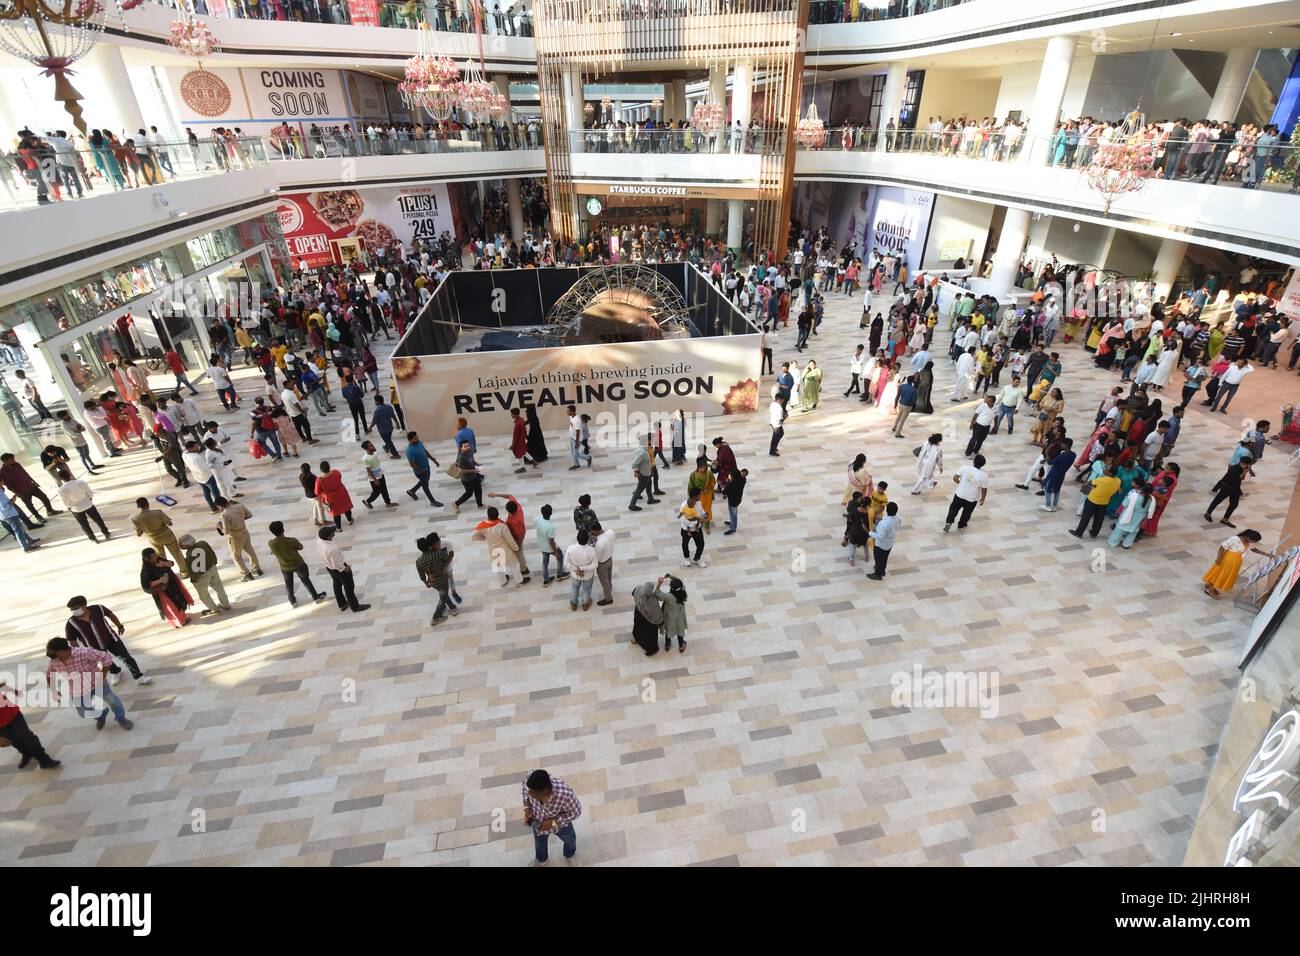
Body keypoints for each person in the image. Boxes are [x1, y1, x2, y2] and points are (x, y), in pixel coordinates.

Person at [44, 638, 133, 732]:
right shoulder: (54, 661)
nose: (52, 656)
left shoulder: (84, 652)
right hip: (77, 690)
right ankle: (100, 715)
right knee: (83, 712)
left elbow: (106, 657)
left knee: (112, 701)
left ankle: (121, 719)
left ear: (62, 650)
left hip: (96, 683)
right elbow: (49, 674)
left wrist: (102, 675)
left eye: (54, 653)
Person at [64, 596, 152, 686]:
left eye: (76, 608)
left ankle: (138, 677)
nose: (74, 611)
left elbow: (110, 614)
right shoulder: (71, 623)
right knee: (105, 661)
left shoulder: (98, 608)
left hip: (111, 639)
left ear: (85, 605)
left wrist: (119, 626)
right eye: (72, 609)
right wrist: (79, 653)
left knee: (126, 657)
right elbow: (72, 641)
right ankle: (115, 671)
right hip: (93, 647)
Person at [522, 769, 582, 866]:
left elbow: (576, 811)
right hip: (538, 824)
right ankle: (542, 860)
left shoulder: (565, 794)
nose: (530, 794)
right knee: (539, 844)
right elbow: (525, 789)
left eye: (533, 794)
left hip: (560, 826)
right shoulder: (530, 778)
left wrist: (553, 822)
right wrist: (527, 807)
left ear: (545, 792)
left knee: (570, 840)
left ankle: (570, 854)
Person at [0, 680, 60, 769]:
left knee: (28, 737)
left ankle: (44, 760)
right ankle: (26, 754)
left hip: (13, 714)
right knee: (15, 742)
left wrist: (12, 690)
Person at [267, 520, 328, 607]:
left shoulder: (271, 543)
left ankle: (292, 601)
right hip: (298, 564)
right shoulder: (292, 540)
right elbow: (301, 547)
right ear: (283, 529)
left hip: (284, 567)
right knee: (305, 580)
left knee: (288, 584)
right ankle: (315, 597)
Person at [317, 525, 371, 613]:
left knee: (337, 584)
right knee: (349, 587)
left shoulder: (319, 541)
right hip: (339, 569)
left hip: (329, 567)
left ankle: (342, 604)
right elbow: (337, 564)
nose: (334, 532)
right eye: (332, 532)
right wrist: (345, 568)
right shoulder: (332, 549)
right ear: (329, 536)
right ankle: (355, 606)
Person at [131, 497, 188, 575]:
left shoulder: (135, 519)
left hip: (153, 539)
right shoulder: (158, 513)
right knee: (176, 553)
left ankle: (167, 573)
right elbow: (170, 523)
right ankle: (185, 572)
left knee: (160, 558)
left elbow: (139, 534)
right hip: (166, 536)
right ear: (148, 504)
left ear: (138, 507)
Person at [1203, 530, 1266, 600]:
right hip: (1229, 560)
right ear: (1248, 537)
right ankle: (1210, 590)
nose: (1253, 542)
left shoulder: (1248, 542)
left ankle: (1210, 585)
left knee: (1221, 572)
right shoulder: (1235, 539)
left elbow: (1254, 549)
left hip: (1236, 561)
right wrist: (1218, 559)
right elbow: (1222, 547)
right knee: (1224, 574)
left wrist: (1266, 554)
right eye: (1253, 541)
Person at [140, 547, 194, 628]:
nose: (155, 558)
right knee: (171, 606)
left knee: (179, 601)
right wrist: (160, 581)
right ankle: (179, 621)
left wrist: (163, 564)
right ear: (146, 559)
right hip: (163, 591)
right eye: (152, 557)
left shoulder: (159, 559)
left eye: (155, 555)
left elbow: (171, 563)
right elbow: (146, 585)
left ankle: (183, 617)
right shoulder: (145, 570)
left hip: (173, 585)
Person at [0, 453, 61, 522]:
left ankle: (50, 511)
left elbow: (25, 473)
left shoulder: (16, 464)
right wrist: (17, 494)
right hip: (22, 491)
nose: (14, 461)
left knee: (44, 497)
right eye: (11, 460)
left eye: (13, 459)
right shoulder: (2, 472)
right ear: (5, 461)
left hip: (31, 486)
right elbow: (9, 486)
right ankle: (38, 517)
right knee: (30, 505)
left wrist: (34, 482)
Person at [472, 505, 524, 587]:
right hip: (505, 550)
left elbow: (474, 536)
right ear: (497, 515)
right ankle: (519, 581)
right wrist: (516, 548)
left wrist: (484, 538)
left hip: (493, 550)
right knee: (514, 565)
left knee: (497, 567)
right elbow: (509, 539)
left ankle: (503, 581)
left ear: (488, 516)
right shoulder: (502, 526)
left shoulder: (483, 526)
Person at [215, 496, 263, 581]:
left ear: (220, 506)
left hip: (235, 537)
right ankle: (257, 569)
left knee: (236, 556)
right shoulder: (240, 506)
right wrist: (239, 519)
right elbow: (249, 515)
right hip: (244, 531)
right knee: (250, 550)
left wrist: (220, 526)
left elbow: (226, 531)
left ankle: (246, 574)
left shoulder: (225, 515)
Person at [55, 471, 110, 542]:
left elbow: (66, 502)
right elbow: (90, 493)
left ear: (60, 478)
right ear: (70, 474)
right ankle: (106, 532)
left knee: (84, 524)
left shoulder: (61, 490)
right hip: (88, 504)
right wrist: (88, 500)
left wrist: (70, 507)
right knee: (98, 519)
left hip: (76, 509)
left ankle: (92, 538)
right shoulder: (80, 482)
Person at [1070, 463, 1121, 539]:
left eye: (1106, 468)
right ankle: (1094, 533)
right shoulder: (1118, 481)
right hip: (1104, 502)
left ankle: (1079, 532)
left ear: (1110, 472)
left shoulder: (1100, 480)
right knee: (1099, 519)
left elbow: (1090, 483)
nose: (1104, 469)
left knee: (1086, 517)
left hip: (1092, 500)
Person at [416, 534, 458, 625]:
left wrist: (426, 582)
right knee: (443, 598)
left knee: (443, 594)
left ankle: (452, 607)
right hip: (443, 579)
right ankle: (435, 618)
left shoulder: (418, 561)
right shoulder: (438, 553)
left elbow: (421, 576)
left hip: (433, 583)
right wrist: (444, 566)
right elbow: (447, 558)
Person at [943, 454, 988, 533]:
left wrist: (960, 483)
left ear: (973, 461)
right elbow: (984, 489)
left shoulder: (964, 468)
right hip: (972, 498)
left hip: (959, 494)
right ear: (982, 465)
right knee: (967, 512)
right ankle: (961, 525)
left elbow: (955, 478)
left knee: (954, 509)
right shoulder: (984, 475)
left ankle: (949, 522)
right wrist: (983, 498)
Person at [1205, 459, 1250, 528]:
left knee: (1234, 504)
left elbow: (1239, 481)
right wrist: (1244, 472)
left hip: (1235, 489)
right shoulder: (1234, 468)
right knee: (1217, 501)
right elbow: (1235, 479)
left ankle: (1225, 519)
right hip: (1226, 488)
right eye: (1246, 465)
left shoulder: (1243, 468)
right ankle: (1208, 513)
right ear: (1242, 463)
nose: (1247, 466)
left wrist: (1240, 493)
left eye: (1248, 465)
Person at [404, 431, 444, 507]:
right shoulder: (410, 451)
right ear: (410, 440)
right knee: (425, 486)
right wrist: (421, 470)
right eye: (415, 439)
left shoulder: (419, 443)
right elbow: (412, 464)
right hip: (420, 471)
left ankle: (412, 491)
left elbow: (424, 451)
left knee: (425, 481)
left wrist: (433, 459)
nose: (417, 439)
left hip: (426, 468)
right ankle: (432, 501)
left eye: (417, 437)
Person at [1038, 438, 1076, 512]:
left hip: (1054, 474)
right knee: (1057, 491)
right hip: (1061, 475)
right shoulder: (1073, 455)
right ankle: (1054, 506)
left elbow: (1050, 462)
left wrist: (1047, 453)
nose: (1061, 445)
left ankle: (1048, 506)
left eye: (1062, 444)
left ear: (1065, 445)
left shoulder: (1062, 456)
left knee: (1047, 489)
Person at [314, 461, 355, 530]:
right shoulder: (336, 472)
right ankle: (350, 520)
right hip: (342, 493)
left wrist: (323, 493)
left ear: (321, 470)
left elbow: (317, 492)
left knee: (336, 512)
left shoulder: (319, 480)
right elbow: (339, 477)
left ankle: (339, 528)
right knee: (346, 507)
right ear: (329, 467)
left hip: (331, 497)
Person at [536, 504, 568, 587]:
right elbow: (551, 541)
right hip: (549, 547)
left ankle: (546, 580)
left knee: (545, 562)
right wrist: (555, 552)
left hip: (541, 545)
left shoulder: (538, 519)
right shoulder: (550, 526)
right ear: (551, 513)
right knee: (560, 556)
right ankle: (560, 575)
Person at [564, 529, 597, 611]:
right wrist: (583, 568)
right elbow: (595, 564)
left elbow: (567, 563)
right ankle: (585, 604)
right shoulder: (591, 550)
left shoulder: (571, 549)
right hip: (588, 575)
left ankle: (574, 604)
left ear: (577, 539)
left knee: (575, 588)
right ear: (587, 540)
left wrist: (577, 569)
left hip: (576, 575)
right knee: (587, 589)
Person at [867, 501, 900, 580]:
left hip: (881, 545)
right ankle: (882, 570)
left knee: (878, 559)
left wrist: (869, 533)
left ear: (887, 510)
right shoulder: (897, 518)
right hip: (890, 543)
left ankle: (878, 574)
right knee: (884, 558)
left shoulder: (884, 524)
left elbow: (879, 537)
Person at [628, 433, 658, 511]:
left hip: (647, 472)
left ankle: (650, 499)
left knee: (649, 485)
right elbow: (634, 463)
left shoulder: (644, 449)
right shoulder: (642, 452)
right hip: (644, 474)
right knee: (639, 489)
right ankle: (632, 505)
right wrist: (636, 471)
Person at [678, 493, 708, 568]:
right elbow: (683, 520)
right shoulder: (684, 505)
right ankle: (687, 558)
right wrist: (696, 522)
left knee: (701, 544)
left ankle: (697, 558)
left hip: (697, 529)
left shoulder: (698, 503)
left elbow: (702, 511)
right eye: (699, 495)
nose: (700, 496)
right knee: (685, 544)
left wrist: (704, 515)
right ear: (694, 496)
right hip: (686, 529)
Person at [451, 439, 482, 512]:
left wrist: (477, 464)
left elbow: (472, 460)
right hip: (467, 479)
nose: (467, 447)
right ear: (461, 448)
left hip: (474, 475)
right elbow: (462, 470)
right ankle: (456, 503)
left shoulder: (470, 452)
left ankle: (480, 505)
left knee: (478, 490)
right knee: (469, 493)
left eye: (468, 445)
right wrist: (473, 470)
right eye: (465, 446)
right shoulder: (461, 458)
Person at [591, 522, 615, 606]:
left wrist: (594, 543)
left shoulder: (599, 543)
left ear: (595, 531)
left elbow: (597, 557)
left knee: (604, 582)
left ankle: (608, 599)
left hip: (602, 564)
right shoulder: (610, 532)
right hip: (610, 559)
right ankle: (609, 589)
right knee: (609, 578)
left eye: (592, 532)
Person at [509, 407, 538, 473]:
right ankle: (534, 461)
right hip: (523, 440)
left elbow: (515, 436)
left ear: (515, 414)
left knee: (519, 454)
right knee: (523, 451)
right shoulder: (521, 419)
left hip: (519, 442)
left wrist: (513, 445)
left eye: (512, 414)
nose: (511, 415)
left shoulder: (517, 424)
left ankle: (522, 468)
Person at [723, 466, 747, 535]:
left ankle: (733, 528)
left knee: (733, 514)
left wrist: (726, 483)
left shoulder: (731, 485)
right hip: (738, 500)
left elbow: (724, 492)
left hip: (732, 502)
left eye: (731, 476)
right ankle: (732, 522)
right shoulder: (743, 480)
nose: (730, 476)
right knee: (733, 513)